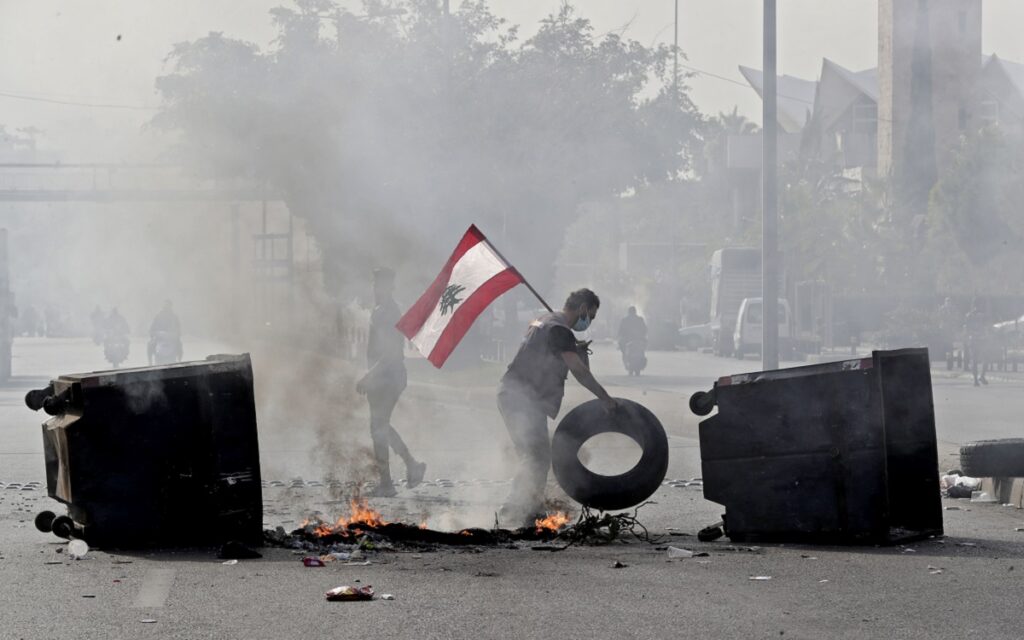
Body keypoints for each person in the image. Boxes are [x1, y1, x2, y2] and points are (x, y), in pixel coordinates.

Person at [497, 288, 618, 527]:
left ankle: (525, 506)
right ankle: (517, 508)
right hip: (523, 399)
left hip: (515, 395)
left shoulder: (544, 321)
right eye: (590, 316)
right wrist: (605, 397)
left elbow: (559, 357)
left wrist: (577, 348)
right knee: (537, 455)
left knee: (533, 455)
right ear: (582, 308)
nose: (589, 322)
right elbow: (579, 371)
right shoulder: (560, 330)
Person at [355, 268, 426, 497]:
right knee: (379, 427)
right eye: (375, 284)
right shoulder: (383, 310)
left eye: (380, 285)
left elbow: (391, 353)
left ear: (388, 287)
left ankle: (392, 480)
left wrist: (369, 376)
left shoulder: (387, 312)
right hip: (386, 377)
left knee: (378, 427)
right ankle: (405, 469)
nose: (376, 289)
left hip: (388, 377)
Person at [964, 300, 991, 387]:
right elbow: (967, 328)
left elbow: (987, 327)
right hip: (975, 339)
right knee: (976, 360)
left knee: (982, 359)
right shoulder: (971, 316)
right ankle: (977, 379)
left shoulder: (977, 315)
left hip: (979, 339)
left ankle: (980, 377)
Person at [148, 300, 182, 365]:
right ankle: (150, 362)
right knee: (150, 344)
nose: (166, 307)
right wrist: (153, 333)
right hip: (160, 338)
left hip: (171, 338)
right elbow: (152, 328)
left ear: (170, 307)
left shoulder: (174, 317)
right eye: (165, 306)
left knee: (179, 345)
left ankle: (179, 361)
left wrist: (177, 334)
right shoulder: (158, 316)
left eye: (168, 306)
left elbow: (178, 329)